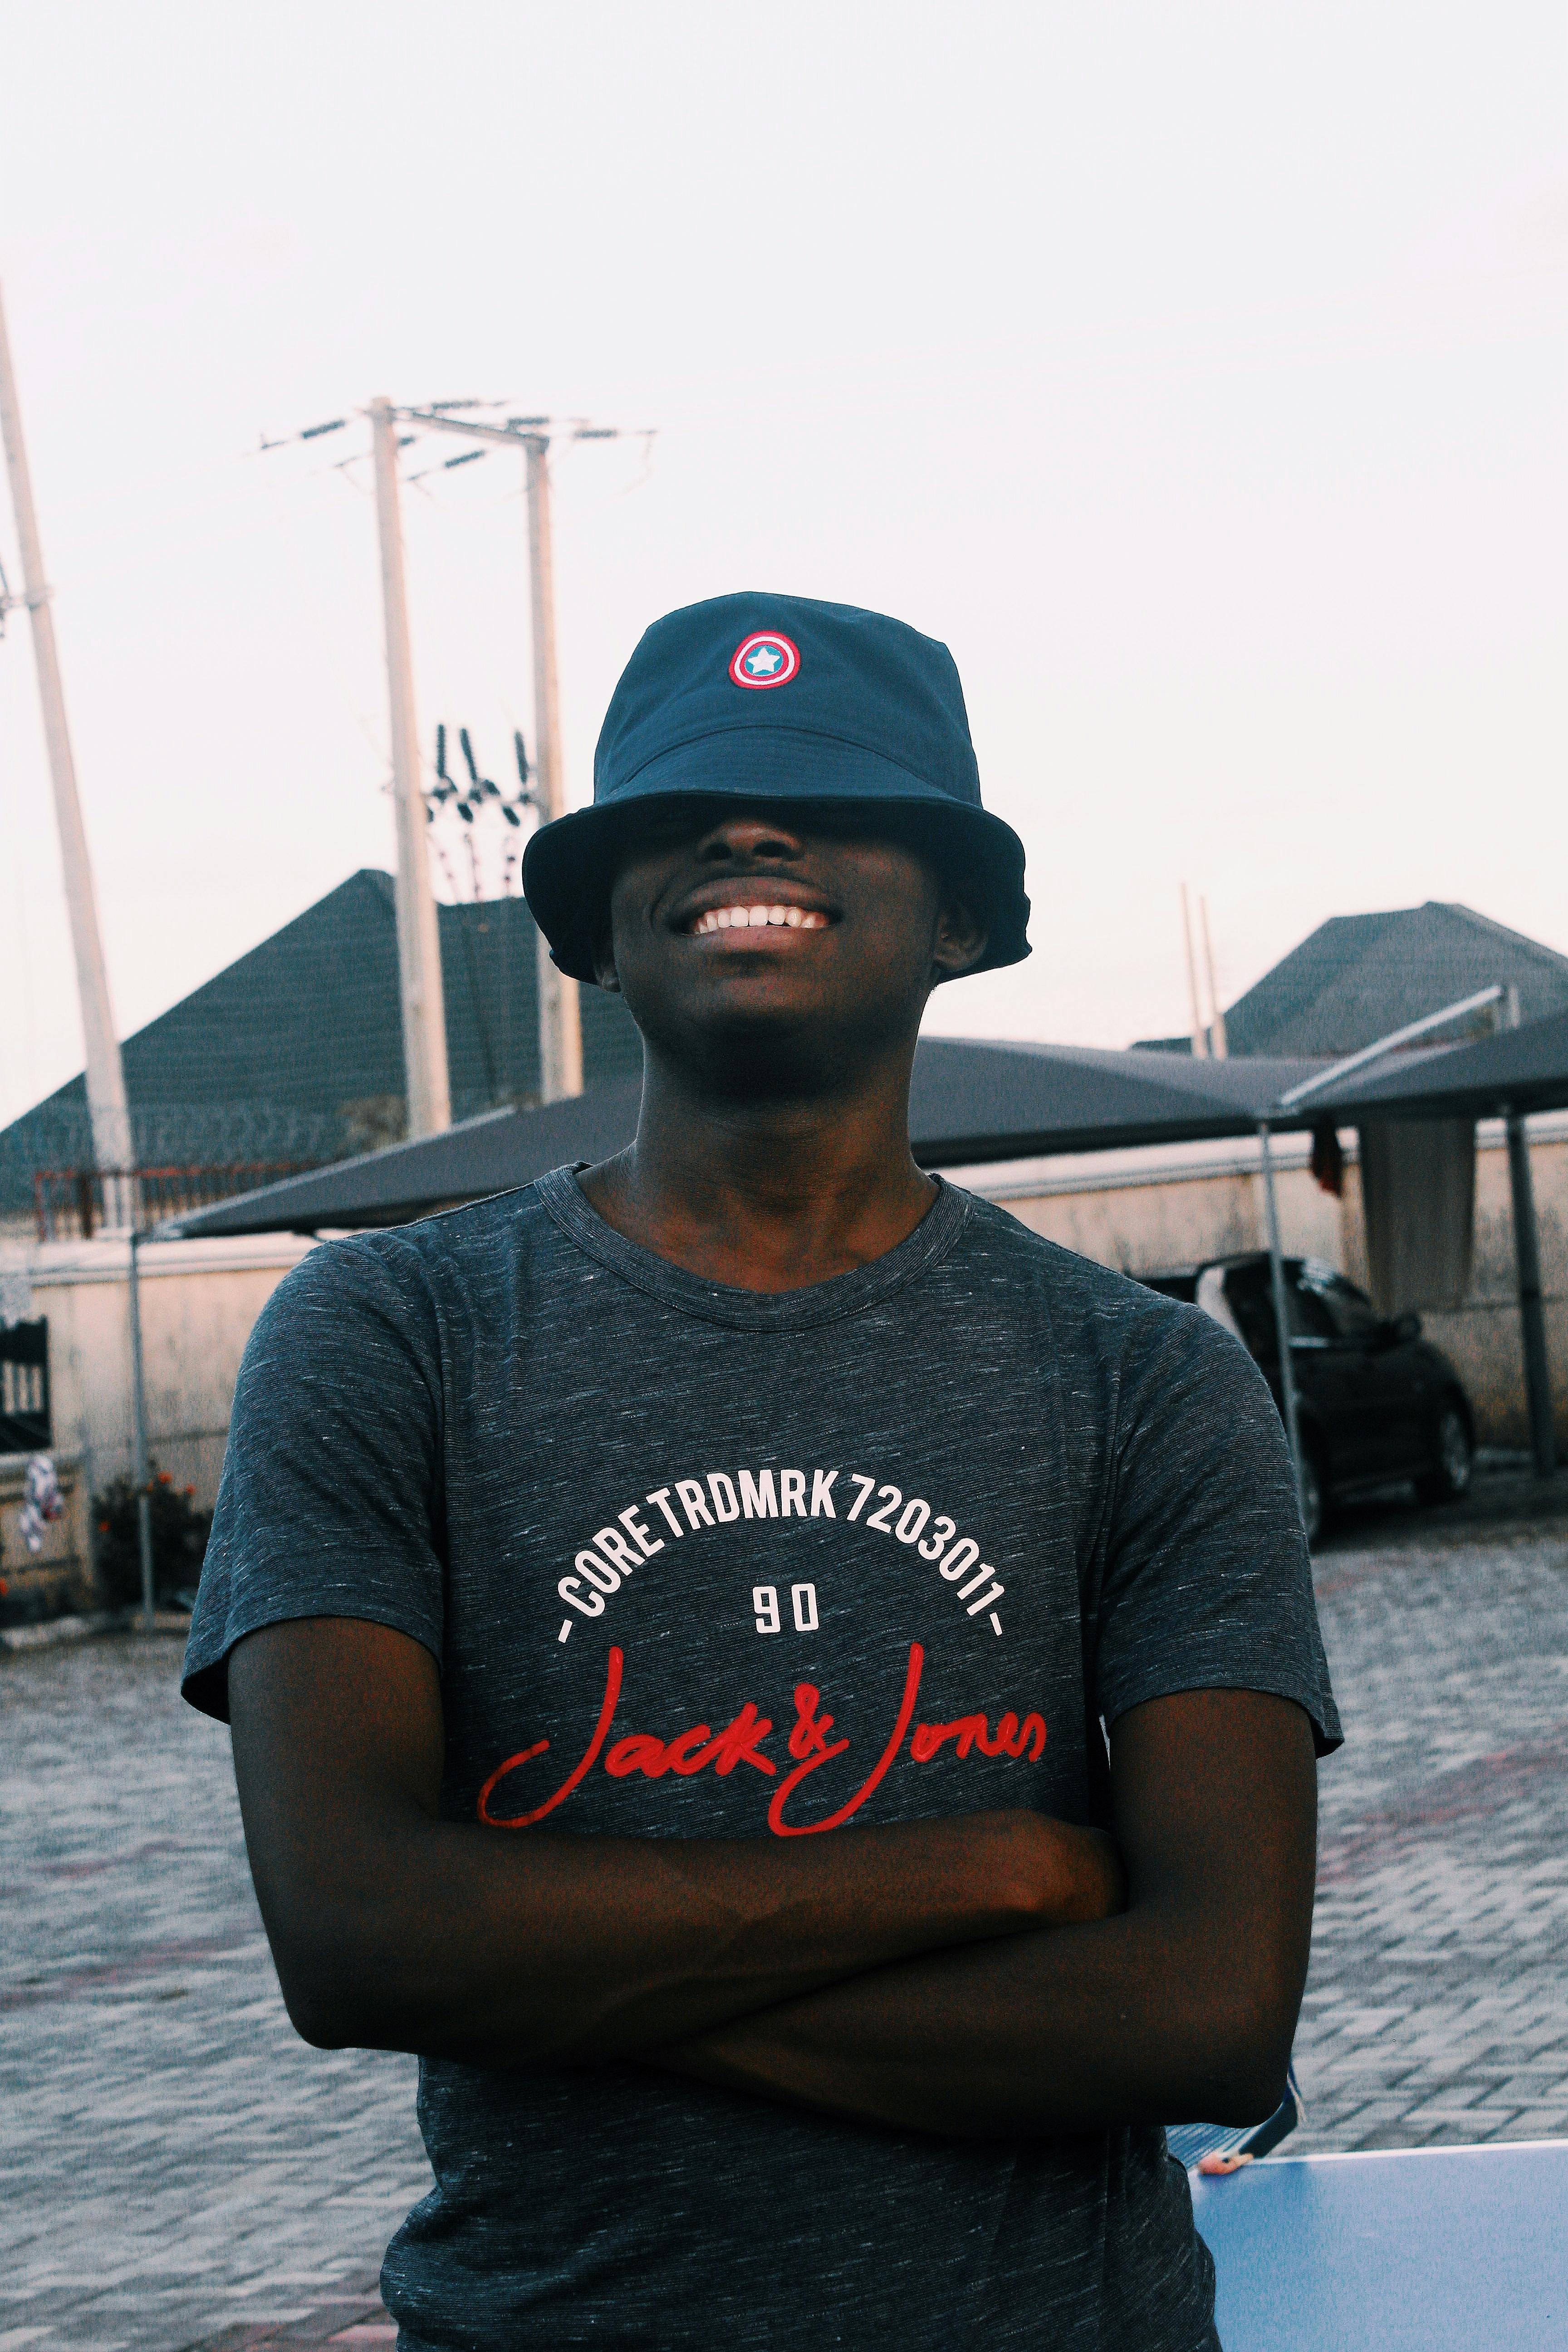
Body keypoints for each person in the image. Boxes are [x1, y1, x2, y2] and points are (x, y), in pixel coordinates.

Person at [183, 591, 1340, 2352]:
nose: (745, 829)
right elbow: (357, 1941)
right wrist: (987, 1878)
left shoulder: (1149, 1383)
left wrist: (549, 1973)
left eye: (830, 797)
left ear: (958, 912)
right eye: (682, 807)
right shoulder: (381, 1338)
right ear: (593, 929)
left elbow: (1207, 2010)